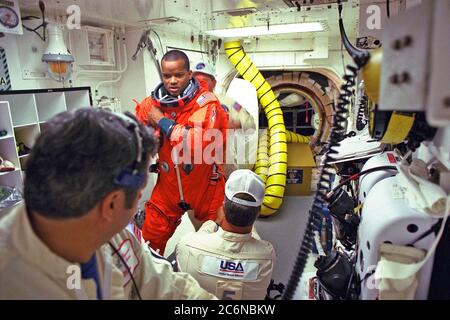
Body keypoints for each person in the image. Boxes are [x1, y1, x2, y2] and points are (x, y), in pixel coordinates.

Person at [0, 108, 216, 300]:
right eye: (142, 190)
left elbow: (162, 283)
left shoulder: (109, 231)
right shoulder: (13, 281)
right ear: (112, 205)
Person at [135, 50, 228, 255]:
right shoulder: (151, 104)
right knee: (150, 240)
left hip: (204, 185)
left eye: (179, 75)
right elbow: (136, 134)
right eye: (167, 76)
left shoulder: (207, 104)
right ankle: (152, 278)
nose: (172, 81)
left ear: (189, 74)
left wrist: (161, 121)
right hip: (168, 187)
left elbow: (197, 143)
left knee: (216, 243)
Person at [175, 169, 276, 300]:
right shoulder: (267, 256)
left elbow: (198, 238)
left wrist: (213, 223)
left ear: (223, 205)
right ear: (258, 213)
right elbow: (255, 239)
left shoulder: (187, 245)